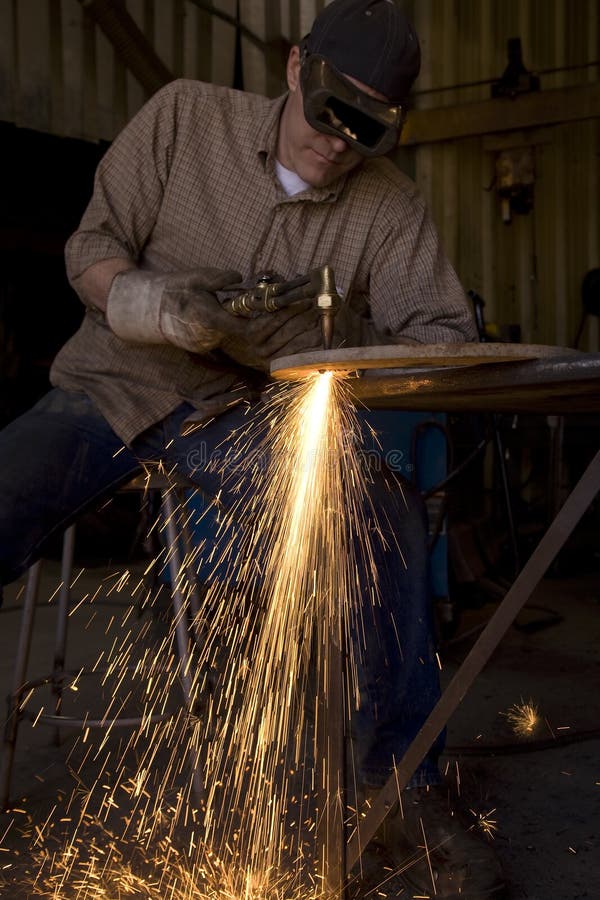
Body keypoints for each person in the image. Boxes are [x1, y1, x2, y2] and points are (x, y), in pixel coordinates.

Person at [0, 1, 505, 896]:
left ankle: (401, 785)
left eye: (367, 131)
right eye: (328, 113)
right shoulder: (184, 117)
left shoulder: (385, 206)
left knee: (378, 512)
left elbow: (436, 333)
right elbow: (92, 246)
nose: (338, 144)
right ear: (294, 67)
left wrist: (366, 355)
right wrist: (149, 305)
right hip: (112, 381)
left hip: (237, 413)